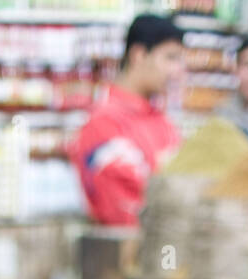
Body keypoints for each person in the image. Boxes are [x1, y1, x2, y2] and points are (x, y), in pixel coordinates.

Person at [70, 14, 183, 228]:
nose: (176, 71)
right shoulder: (104, 123)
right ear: (139, 55)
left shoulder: (163, 123)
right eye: (170, 58)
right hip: (126, 255)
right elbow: (121, 211)